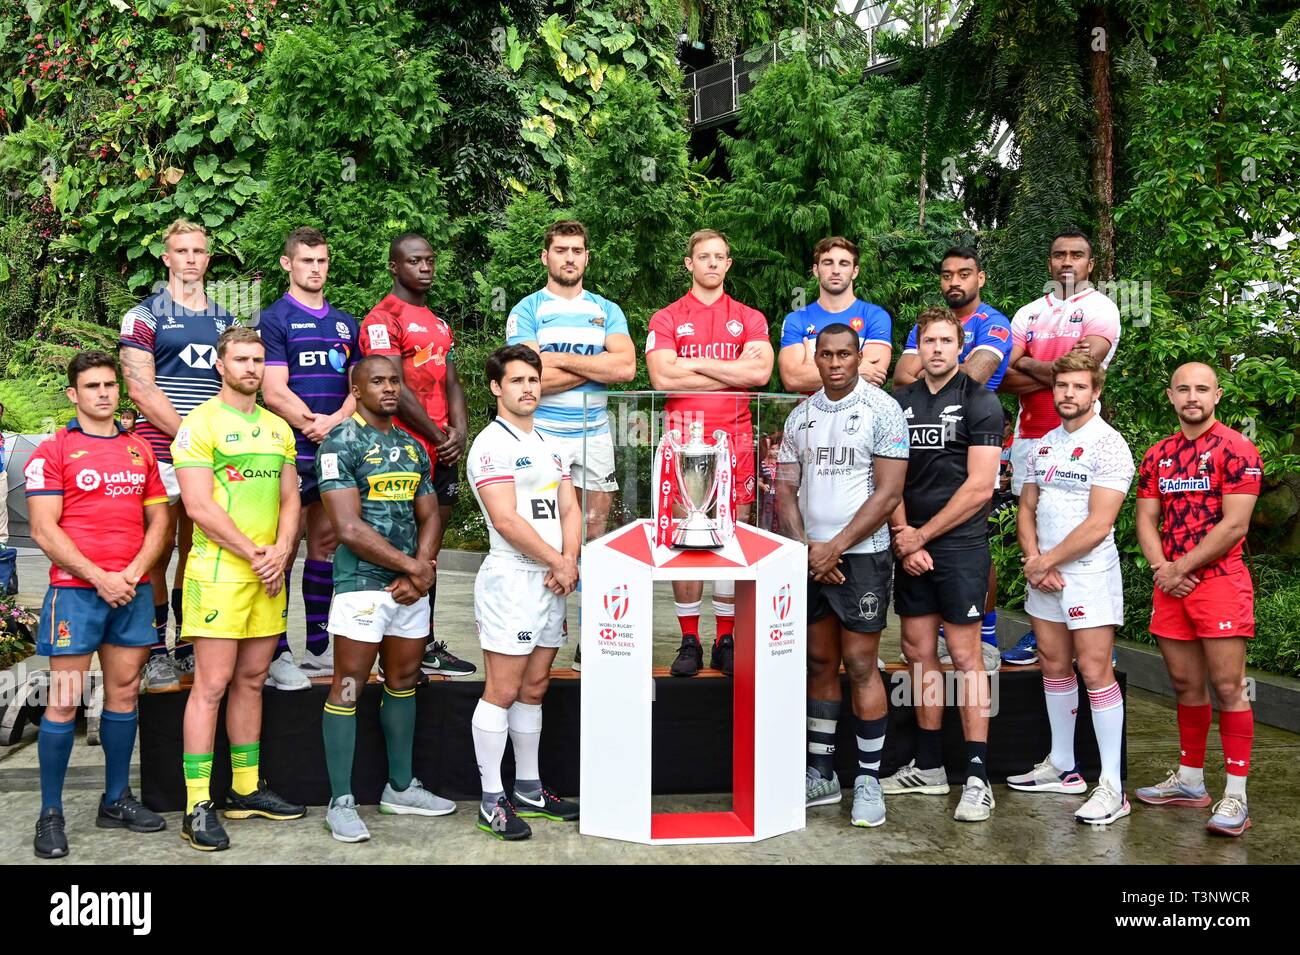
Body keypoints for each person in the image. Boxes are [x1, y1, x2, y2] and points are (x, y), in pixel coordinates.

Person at [26, 351, 171, 859]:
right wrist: (98, 577)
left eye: (110, 384)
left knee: (125, 694)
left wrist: (130, 575)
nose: (104, 393)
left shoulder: (140, 451)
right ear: (74, 394)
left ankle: (115, 800)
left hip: (129, 593)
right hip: (76, 594)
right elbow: (44, 529)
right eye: (92, 386)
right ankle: (50, 813)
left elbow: (160, 523)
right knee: (64, 698)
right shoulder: (52, 451)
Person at [172, 326, 305, 851]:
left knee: (252, 681)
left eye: (258, 360)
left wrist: (282, 550)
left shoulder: (278, 428)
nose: (251, 368)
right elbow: (198, 506)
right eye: (241, 360)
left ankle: (245, 789)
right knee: (211, 684)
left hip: (269, 574)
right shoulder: (198, 425)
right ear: (220, 366)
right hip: (219, 575)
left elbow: (291, 499)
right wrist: (255, 553)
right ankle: (196, 804)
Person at [317, 355, 456, 842]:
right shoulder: (340, 443)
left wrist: (423, 571)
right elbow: (348, 528)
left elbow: (431, 516)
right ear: (356, 390)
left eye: (395, 380)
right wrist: (414, 569)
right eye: (377, 381)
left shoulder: (413, 446)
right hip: (361, 589)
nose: (389, 388)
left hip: (410, 589)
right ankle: (341, 800)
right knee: (349, 687)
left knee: (402, 680)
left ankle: (400, 788)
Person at [776, 323, 909, 828]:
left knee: (859, 664)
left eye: (844, 355)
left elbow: (889, 493)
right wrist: (808, 549)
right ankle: (822, 774)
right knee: (818, 662)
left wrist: (837, 547)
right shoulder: (800, 416)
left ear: (858, 357)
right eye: (826, 355)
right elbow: (786, 490)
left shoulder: (883, 409)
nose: (835, 363)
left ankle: (870, 780)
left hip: (862, 557)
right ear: (816, 358)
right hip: (813, 558)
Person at [882, 307, 1003, 822]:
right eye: (927, 341)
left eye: (945, 341)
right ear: (919, 348)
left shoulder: (981, 402)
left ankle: (977, 777)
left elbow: (980, 486)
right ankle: (928, 767)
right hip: (911, 541)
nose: (935, 349)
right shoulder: (898, 403)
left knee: (964, 654)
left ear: (960, 347)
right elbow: (888, 480)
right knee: (916, 649)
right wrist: (904, 539)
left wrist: (923, 537)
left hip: (959, 546)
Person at [1133, 363, 1262, 837]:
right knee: (1185, 685)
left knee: (1230, 688)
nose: (1192, 396)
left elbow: (1235, 525)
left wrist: (1179, 569)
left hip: (1220, 581)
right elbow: (1146, 518)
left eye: (1202, 389)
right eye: (1183, 389)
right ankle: (1190, 782)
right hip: (1170, 583)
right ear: (1170, 396)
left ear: (1217, 395)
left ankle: (1236, 796)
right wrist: (1161, 570)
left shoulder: (1238, 449)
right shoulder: (1158, 454)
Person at [1006, 352, 1134, 825]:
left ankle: (1112, 789)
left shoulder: (1110, 445)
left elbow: (1100, 523)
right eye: (1062, 386)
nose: (1068, 395)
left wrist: (1046, 562)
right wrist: (1034, 562)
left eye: (1079, 387)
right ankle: (1063, 767)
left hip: (1087, 575)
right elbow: (1026, 508)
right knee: (1054, 666)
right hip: (1045, 574)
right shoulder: (1042, 445)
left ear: (1095, 392)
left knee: (1096, 673)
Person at [505, 219, 636, 671]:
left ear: (586, 257)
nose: (569, 257)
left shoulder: (606, 309)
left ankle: (590, 638)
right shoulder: (525, 309)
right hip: (543, 437)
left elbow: (625, 370)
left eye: (577, 250)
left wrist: (555, 359)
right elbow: (527, 381)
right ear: (546, 256)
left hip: (595, 434)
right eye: (561, 249)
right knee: (545, 537)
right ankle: (538, 635)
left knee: (597, 537)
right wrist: (595, 364)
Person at [646, 229, 774, 677]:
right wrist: (730, 372)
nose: (713, 264)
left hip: (735, 437)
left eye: (720, 257)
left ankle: (725, 636)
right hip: (684, 439)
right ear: (689, 264)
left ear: (728, 264)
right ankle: (688, 639)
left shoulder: (749, 317)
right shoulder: (666, 318)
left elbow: (759, 374)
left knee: (732, 534)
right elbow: (662, 378)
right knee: (688, 535)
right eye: (704, 257)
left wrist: (692, 364)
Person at [467, 345, 581, 841]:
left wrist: (569, 561)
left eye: (533, 380)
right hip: (512, 579)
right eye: (516, 381)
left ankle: (530, 788)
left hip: (553, 580)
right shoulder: (489, 446)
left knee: (535, 688)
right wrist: (557, 561)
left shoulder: (552, 445)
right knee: (504, 689)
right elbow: (506, 519)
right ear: (496, 387)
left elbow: (570, 508)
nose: (527, 388)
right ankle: (492, 799)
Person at [998, 231, 1120, 666]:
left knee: (1080, 529)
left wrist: (1027, 362)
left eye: (1077, 255)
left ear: (1090, 263)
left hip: (1083, 439)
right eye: (1058, 254)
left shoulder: (1101, 308)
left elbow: (1083, 367)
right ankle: (1041, 632)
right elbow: (1001, 376)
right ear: (1049, 263)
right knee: (1033, 528)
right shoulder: (1028, 313)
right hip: (1031, 438)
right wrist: (1052, 369)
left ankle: (1085, 630)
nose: (1067, 261)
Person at [119, 218, 231, 691]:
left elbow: (235, 385)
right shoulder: (143, 315)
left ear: (207, 259)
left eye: (198, 251)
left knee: (198, 549)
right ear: (166, 259)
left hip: (209, 457)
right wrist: (190, 436)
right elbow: (141, 389)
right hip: (160, 453)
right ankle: (151, 648)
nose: (190, 258)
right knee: (157, 549)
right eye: (181, 251)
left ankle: (186, 644)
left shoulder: (227, 320)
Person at [360, 233, 475, 678]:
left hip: (440, 453)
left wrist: (459, 433)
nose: (425, 268)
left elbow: (452, 382)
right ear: (395, 267)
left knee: (430, 550)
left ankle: (423, 641)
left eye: (429, 260)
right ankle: (382, 644)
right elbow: (391, 384)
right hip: (399, 451)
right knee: (392, 545)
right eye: (414, 261)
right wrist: (434, 433)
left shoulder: (441, 323)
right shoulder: (382, 317)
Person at [895, 247, 1014, 669]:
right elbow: (901, 374)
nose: (954, 282)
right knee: (918, 646)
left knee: (973, 542)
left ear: (980, 278)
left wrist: (935, 372)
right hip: (927, 443)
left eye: (964, 274)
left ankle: (986, 633)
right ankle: (948, 634)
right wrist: (936, 371)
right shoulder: (929, 325)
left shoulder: (994, 322)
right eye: (946, 275)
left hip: (973, 438)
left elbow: (973, 376)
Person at [258, 226, 360, 689]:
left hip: (335, 450)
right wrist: (310, 424)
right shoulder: (274, 319)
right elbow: (272, 390)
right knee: (285, 548)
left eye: (321, 261)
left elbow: (359, 390)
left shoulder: (345, 324)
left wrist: (335, 422)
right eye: (306, 261)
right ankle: (277, 652)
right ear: (288, 264)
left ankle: (317, 649)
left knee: (325, 546)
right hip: (291, 450)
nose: (315, 269)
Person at [777, 236, 892, 393]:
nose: (836, 270)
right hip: (811, 415)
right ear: (816, 270)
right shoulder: (796, 319)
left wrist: (812, 367)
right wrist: (857, 369)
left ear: (855, 271)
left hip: (860, 414)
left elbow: (873, 375)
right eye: (828, 263)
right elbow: (792, 379)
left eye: (844, 264)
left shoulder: (875, 316)